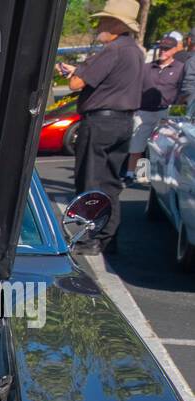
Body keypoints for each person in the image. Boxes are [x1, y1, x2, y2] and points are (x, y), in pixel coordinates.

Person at [55, 0, 144, 255]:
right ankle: (107, 236)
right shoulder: (134, 50)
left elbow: (76, 83)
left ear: (117, 24)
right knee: (110, 182)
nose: (99, 25)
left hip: (101, 122)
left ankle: (90, 238)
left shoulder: (112, 50)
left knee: (91, 181)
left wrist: (76, 71)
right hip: (123, 121)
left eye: (104, 20)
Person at [126, 34, 185, 183]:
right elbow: (136, 87)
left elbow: (183, 92)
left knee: (163, 147)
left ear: (173, 50)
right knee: (137, 145)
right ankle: (135, 175)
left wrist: (177, 114)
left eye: (166, 49)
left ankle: (162, 177)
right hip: (144, 110)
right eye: (161, 48)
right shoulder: (147, 67)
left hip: (166, 112)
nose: (162, 51)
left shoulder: (180, 68)